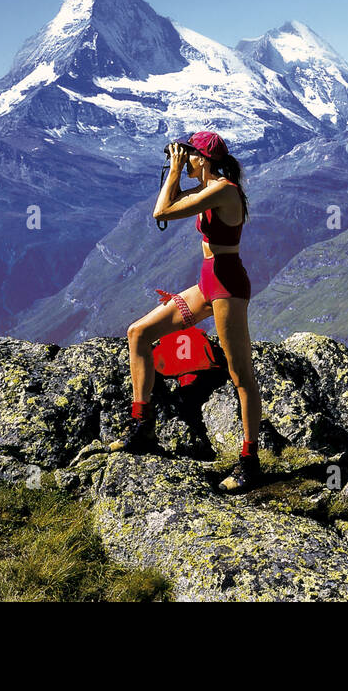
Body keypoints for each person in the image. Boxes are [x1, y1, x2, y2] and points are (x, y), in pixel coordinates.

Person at [109, 130, 263, 492]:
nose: (186, 159)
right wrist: (177, 169)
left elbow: (162, 210)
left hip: (227, 286)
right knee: (139, 333)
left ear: (204, 159)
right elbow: (168, 204)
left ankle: (249, 461)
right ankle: (142, 424)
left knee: (240, 374)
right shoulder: (208, 188)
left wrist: (176, 169)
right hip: (208, 282)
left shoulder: (224, 189)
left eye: (191, 155)